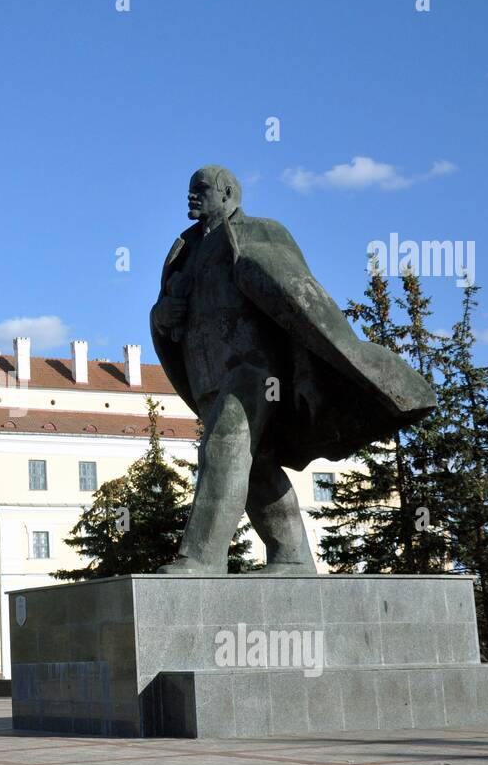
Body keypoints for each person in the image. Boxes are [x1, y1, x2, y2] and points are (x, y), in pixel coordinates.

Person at [150, 165, 436, 574]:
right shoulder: (185, 252)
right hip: (208, 374)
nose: (191, 197)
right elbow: (166, 315)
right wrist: (162, 314)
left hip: (254, 369)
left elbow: (300, 301)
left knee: (225, 446)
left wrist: (307, 372)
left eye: (200, 190)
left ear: (228, 192)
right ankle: (293, 556)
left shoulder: (259, 232)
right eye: (189, 190)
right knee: (257, 464)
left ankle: (200, 558)